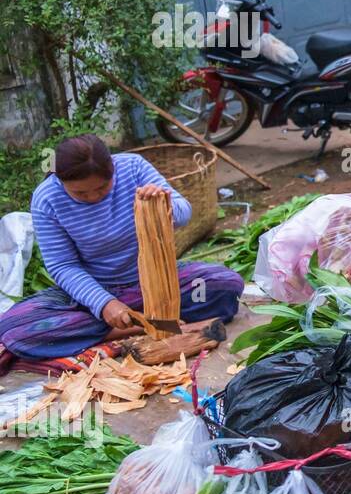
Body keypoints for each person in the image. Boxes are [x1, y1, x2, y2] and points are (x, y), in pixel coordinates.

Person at [0, 137, 244, 368]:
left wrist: (163, 203)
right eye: (81, 193)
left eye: (102, 187)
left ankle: (138, 321)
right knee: (14, 328)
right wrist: (105, 304)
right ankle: (135, 326)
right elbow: (63, 266)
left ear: (113, 168)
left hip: (157, 284)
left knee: (224, 285)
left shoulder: (132, 168)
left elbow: (184, 214)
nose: (94, 196)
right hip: (93, 291)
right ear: (60, 180)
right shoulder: (47, 199)